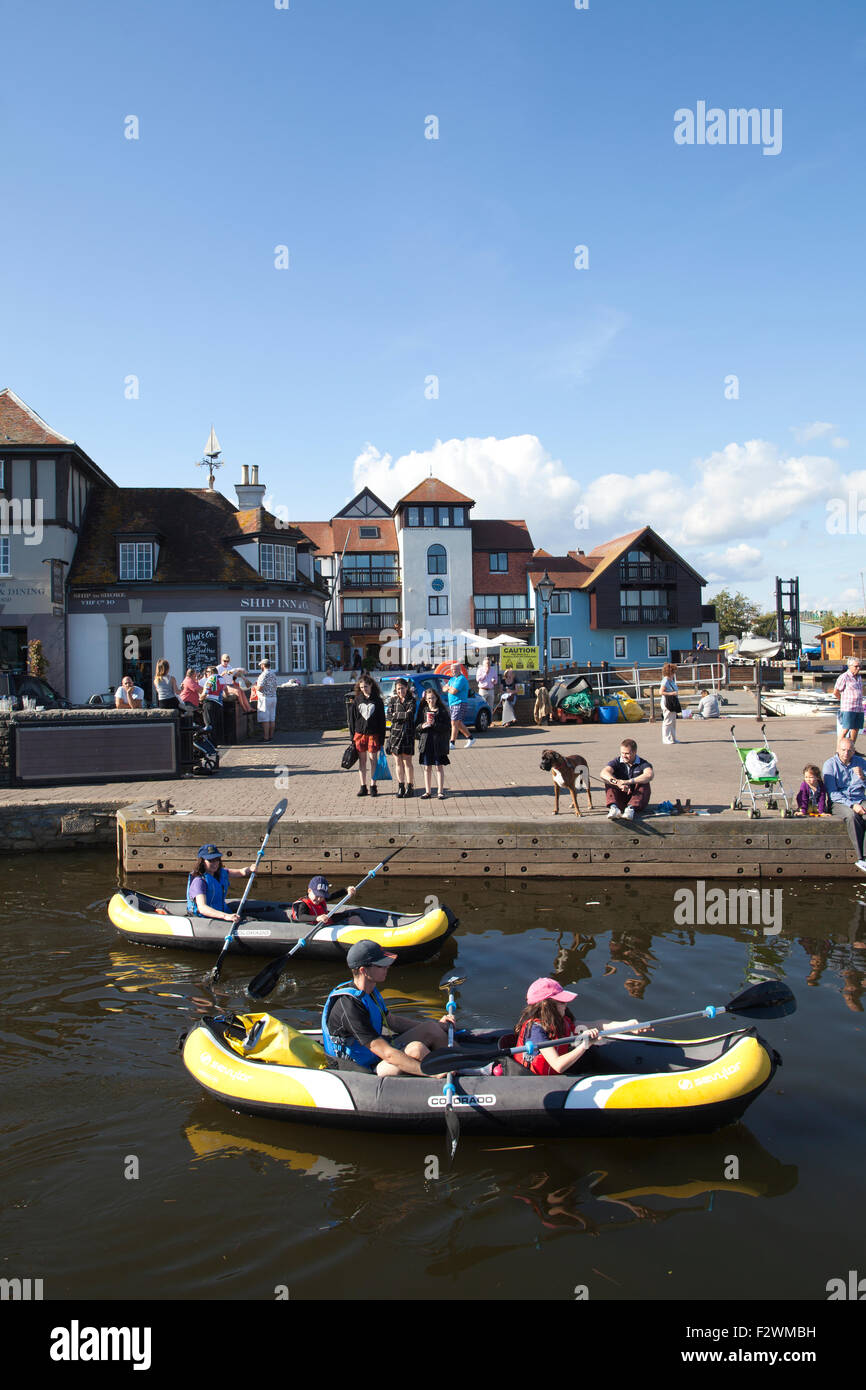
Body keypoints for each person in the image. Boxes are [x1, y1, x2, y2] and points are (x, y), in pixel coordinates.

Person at [321, 939, 452, 1076]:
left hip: (376, 1054)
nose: (387, 967)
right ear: (364, 970)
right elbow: (386, 1053)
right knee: (416, 1049)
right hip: (363, 1068)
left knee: (431, 1028)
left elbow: (392, 1021)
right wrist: (433, 1072)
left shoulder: (369, 990)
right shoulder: (349, 1006)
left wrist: (438, 1025)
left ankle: (462, 1062)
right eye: (381, 965)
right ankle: (450, 1077)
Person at [513, 979, 601, 1075]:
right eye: (562, 1002)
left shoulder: (561, 1019)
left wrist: (618, 1025)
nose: (566, 1004)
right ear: (547, 1005)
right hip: (538, 1079)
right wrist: (585, 1045)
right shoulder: (535, 1030)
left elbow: (599, 1024)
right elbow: (558, 1065)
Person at [822, 736, 866, 872]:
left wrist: (863, 777)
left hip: (859, 797)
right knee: (852, 816)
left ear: (854, 751)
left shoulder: (861, 762)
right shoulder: (830, 765)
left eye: (849, 750)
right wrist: (853, 805)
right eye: (843, 750)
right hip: (840, 801)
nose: (846, 753)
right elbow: (833, 793)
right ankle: (861, 858)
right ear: (837, 750)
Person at [185, 844, 257, 920]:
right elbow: (202, 908)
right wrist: (226, 916)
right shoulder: (199, 881)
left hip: (221, 911)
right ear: (202, 862)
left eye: (217, 859)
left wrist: (250, 869)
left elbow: (241, 872)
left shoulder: (220, 873)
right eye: (210, 860)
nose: (215, 863)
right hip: (205, 918)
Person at [347, 673, 386, 797]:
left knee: (373, 760)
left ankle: (373, 785)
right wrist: (352, 736)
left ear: (371, 686)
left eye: (366, 686)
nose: (364, 689)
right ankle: (363, 787)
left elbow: (382, 721)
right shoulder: (357, 700)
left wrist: (382, 738)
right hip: (359, 735)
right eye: (362, 687)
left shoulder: (378, 701)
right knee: (362, 762)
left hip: (373, 735)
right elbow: (352, 720)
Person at [600, 738, 654, 820]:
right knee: (609, 780)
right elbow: (603, 773)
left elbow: (649, 775)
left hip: (638, 800)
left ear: (635, 752)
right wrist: (617, 783)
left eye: (627, 753)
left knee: (644, 782)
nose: (624, 756)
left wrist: (628, 782)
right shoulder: (616, 761)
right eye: (622, 753)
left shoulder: (643, 763)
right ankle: (614, 808)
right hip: (620, 798)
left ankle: (630, 809)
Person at [415, 686, 451, 799]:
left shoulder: (442, 711)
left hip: (438, 743)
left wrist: (435, 723)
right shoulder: (423, 710)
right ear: (426, 699)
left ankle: (440, 791)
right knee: (427, 767)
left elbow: (447, 727)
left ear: (437, 698)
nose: (431, 700)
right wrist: (422, 725)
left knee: (439, 766)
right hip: (426, 742)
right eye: (429, 698)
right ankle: (428, 791)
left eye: (433, 698)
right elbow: (416, 726)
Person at [386, 676, 417, 798]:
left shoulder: (411, 700)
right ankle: (401, 786)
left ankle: (410, 786)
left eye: (402, 688)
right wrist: (399, 715)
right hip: (395, 734)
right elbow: (388, 716)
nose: (400, 691)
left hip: (407, 734)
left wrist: (396, 715)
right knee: (397, 762)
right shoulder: (393, 700)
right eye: (398, 689)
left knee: (407, 762)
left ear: (407, 688)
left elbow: (410, 715)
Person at [291, 874, 356, 922]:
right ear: (309, 891)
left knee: (350, 915)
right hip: (312, 924)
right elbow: (301, 917)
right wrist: (317, 918)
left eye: (322, 896)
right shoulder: (303, 904)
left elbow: (334, 895)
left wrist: (346, 889)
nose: (319, 899)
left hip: (325, 920)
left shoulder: (320, 899)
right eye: (317, 895)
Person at [833, 656, 863, 744]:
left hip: (858, 707)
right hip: (848, 708)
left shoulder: (859, 677)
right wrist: (843, 700)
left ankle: (851, 748)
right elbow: (836, 691)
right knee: (845, 729)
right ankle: (839, 749)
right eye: (856, 666)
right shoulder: (844, 677)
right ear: (849, 666)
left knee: (856, 728)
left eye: (859, 666)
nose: (858, 668)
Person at [444, 665, 474, 749]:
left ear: (459, 670)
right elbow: (443, 688)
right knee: (458, 723)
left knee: (454, 722)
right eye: (452, 669)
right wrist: (449, 687)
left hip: (460, 703)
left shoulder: (461, 679)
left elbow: (454, 691)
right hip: (452, 704)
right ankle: (471, 738)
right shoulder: (452, 679)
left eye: (456, 669)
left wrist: (448, 687)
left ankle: (452, 743)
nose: (454, 671)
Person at [255, 659, 278, 742]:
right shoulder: (273, 674)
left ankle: (266, 737)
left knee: (265, 719)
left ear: (263, 665)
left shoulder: (263, 675)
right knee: (272, 718)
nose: (260, 667)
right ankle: (271, 736)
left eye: (261, 665)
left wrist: (255, 687)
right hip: (273, 697)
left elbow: (260, 687)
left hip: (265, 698)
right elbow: (275, 686)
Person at [200, 665, 223, 743]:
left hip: (210, 702)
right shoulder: (221, 678)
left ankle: (211, 742)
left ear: (211, 672)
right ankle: (217, 741)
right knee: (216, 723)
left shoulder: (211, 678)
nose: (206, 673)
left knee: (209, 723)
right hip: (219, 703)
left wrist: (200, 699)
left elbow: (206, 691)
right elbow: (224, 689)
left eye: (207, 672)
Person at [659, 663, 680, 744]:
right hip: (667, 701)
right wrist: (672, 693)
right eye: (674, 671)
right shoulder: (665, 680)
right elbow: (661, 692)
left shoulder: (671, 680)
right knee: (667, 721)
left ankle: (673, 738)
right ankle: (666, 738)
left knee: (673, 721)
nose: (675, 673)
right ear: (670, 672)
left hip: (672, 701)